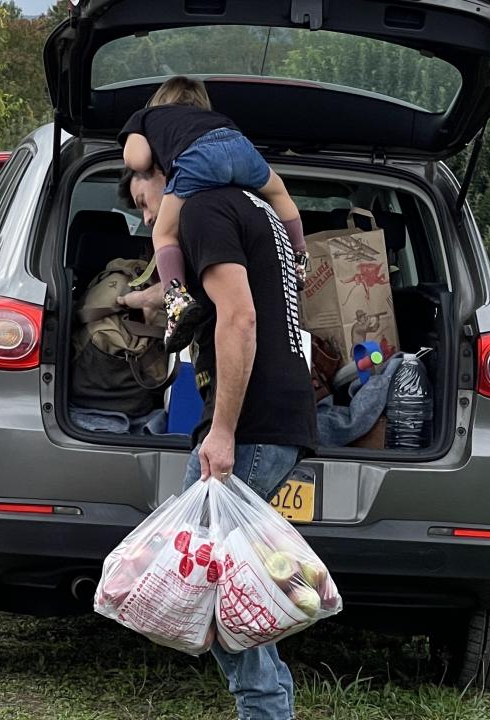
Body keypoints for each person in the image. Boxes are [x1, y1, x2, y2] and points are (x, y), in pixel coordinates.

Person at [118, 164, 318, 720]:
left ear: (164, 172)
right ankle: (270, 704)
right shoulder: (247, 208)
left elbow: (241, 319)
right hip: (276, 414)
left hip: (252, 423)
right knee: (229, 578)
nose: (147, 216)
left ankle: (265, 708)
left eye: (144, 198)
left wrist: (222, 430)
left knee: (211, 582)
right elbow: (208, 301)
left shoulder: (204, 212)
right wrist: (142, 302)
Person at [118, 76, 306, 354]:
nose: (146, 216)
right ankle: (299, 260)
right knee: (280, 193)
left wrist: (139, 141)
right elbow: (273, 193)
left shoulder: (145, 118)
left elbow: (138, 159)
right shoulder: (215, 118)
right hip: (240, 146)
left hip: (199, 157)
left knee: (164, 233)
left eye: (143, 203)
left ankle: (176, 303)